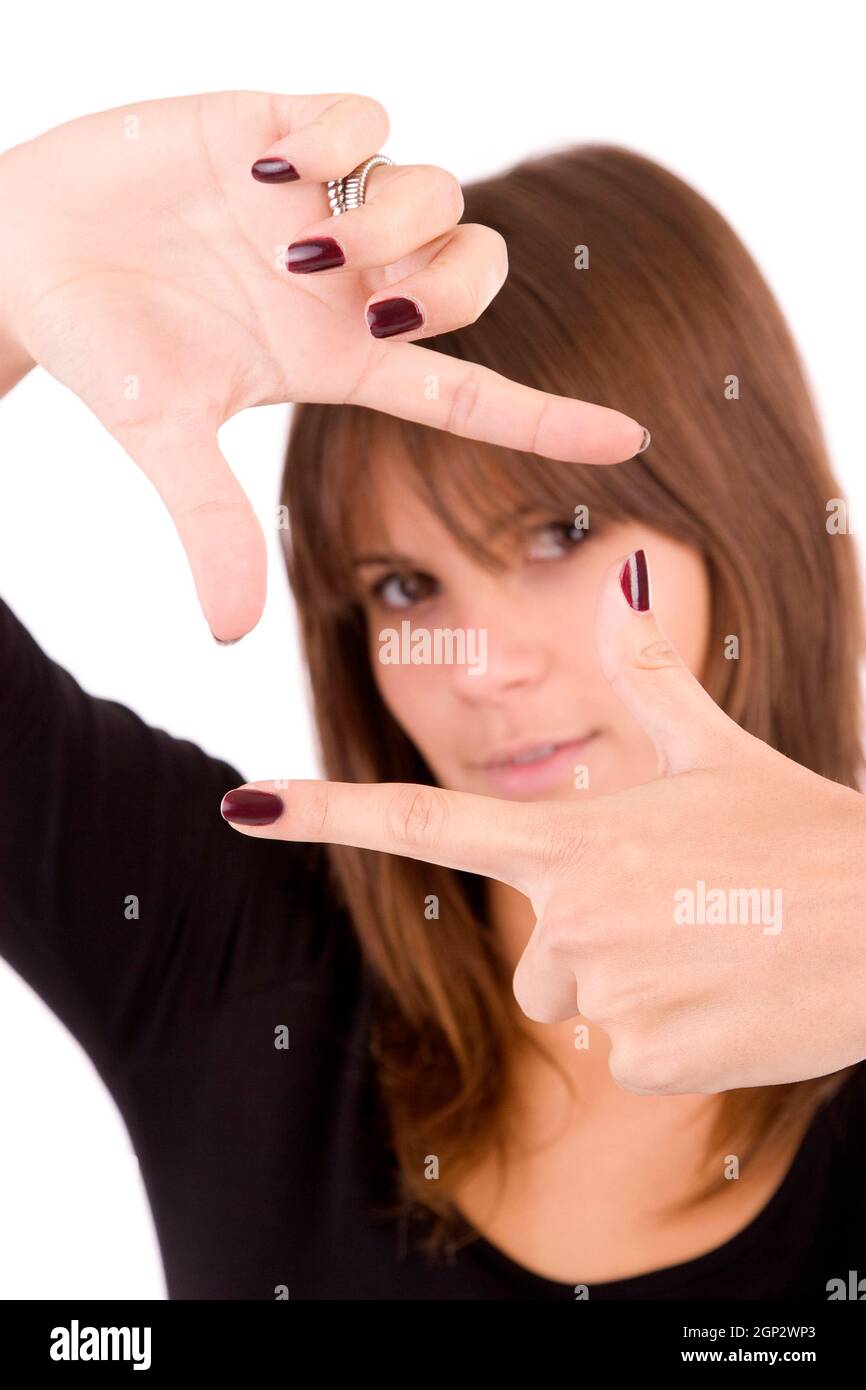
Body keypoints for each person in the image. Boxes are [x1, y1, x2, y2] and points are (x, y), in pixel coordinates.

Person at [0, 90, 864, 1300]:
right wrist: (12, 250)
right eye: (403, 585)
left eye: (558, 535)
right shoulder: (234, 952)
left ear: (754, 526)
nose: (472, 664)